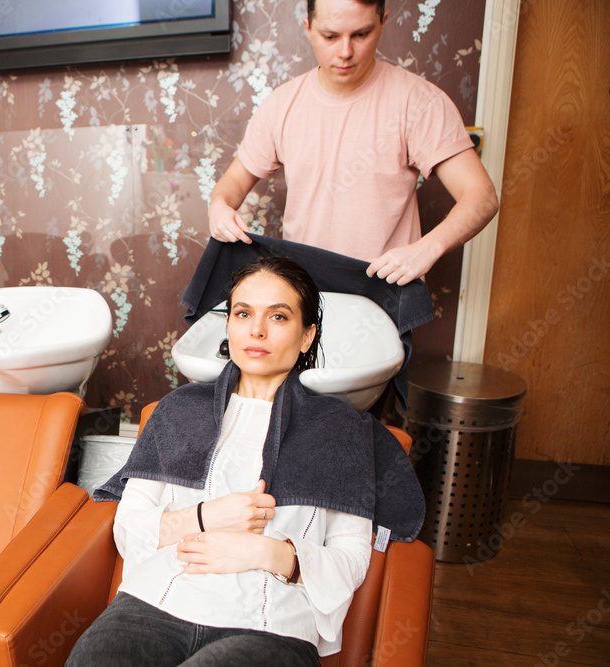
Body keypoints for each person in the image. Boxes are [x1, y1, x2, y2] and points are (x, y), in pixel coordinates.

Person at [71, 257, 425, 666]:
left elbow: (350, 558)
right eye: (243, 313)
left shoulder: (340, 431)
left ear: (307, 335)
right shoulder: (178, 412)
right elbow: (130, 526)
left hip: (271, 622)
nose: (256, 330)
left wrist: (264, 553)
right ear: (229, 326)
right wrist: (205, 516)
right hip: (154, 605)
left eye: (278, 316)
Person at [208, 0, 499, 286]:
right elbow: (232, 182)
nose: (345, 52)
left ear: (383, 22)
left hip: (383, 295)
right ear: (308, 28)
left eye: (361, 34)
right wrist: (219, 206)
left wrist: (429, 247)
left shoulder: (419, 102)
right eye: (330, 36)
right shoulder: (279, 106)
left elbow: (481, 196)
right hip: (303, 293)